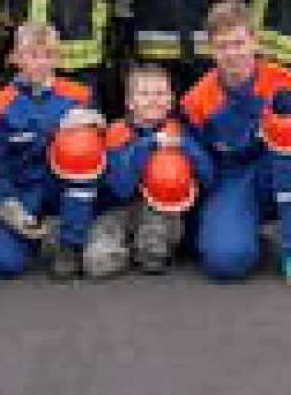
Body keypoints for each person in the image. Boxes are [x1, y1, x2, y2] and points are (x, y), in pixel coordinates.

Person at [182, 0, 291, 286]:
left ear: (255, 41)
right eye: (222, 46)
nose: (232, 53)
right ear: (210, 49)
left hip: (280, 173)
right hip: (230, 181)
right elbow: (197, 163)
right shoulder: (196, 100)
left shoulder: (287, 82)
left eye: (239, 43)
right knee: (226, 263)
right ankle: (241, 232)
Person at [0, 21, 103, 280]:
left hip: (62, 185)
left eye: (48, 55)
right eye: (32, 55)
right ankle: (29, 236)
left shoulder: (80, 95)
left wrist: (96, 122)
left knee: (84, 156)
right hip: (23, 191)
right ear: (16, 57)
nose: (41, 63)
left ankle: (71, 243)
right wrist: (8, 206)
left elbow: (101, 147)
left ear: (57, 57)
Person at [84, 63, 214, 278]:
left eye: (160, 93)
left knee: (156, 247)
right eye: (144, 94)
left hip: (163, 212)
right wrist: (148, 145)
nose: (154, 99)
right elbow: (119, 188)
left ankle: (149, 249)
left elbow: (209, 177)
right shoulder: (116, 132)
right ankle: (115, 249)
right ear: (130, 103)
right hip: (117, 211)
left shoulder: (180, 131)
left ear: (171, 99)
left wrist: (185, 147)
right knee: (98, 261)